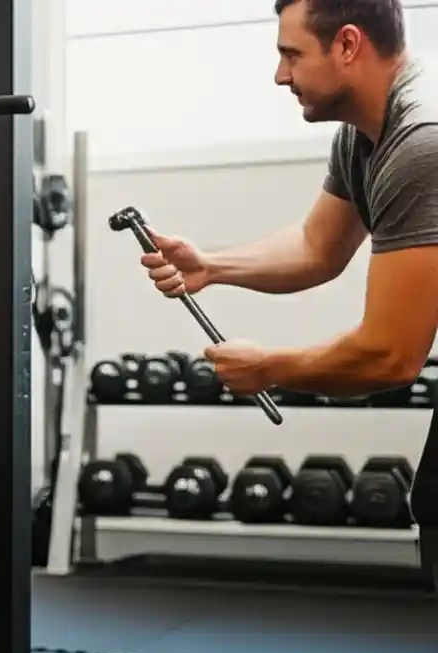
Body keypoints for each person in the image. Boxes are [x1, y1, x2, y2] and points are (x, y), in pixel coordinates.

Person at [140, 0, 438, 547]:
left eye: (291, 55)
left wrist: (271, 367)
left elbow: (392, 354)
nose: (280, 76)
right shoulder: (363, 135)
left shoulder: (422, 140)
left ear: (348, 45)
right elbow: (316, 248)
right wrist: (212, 265)